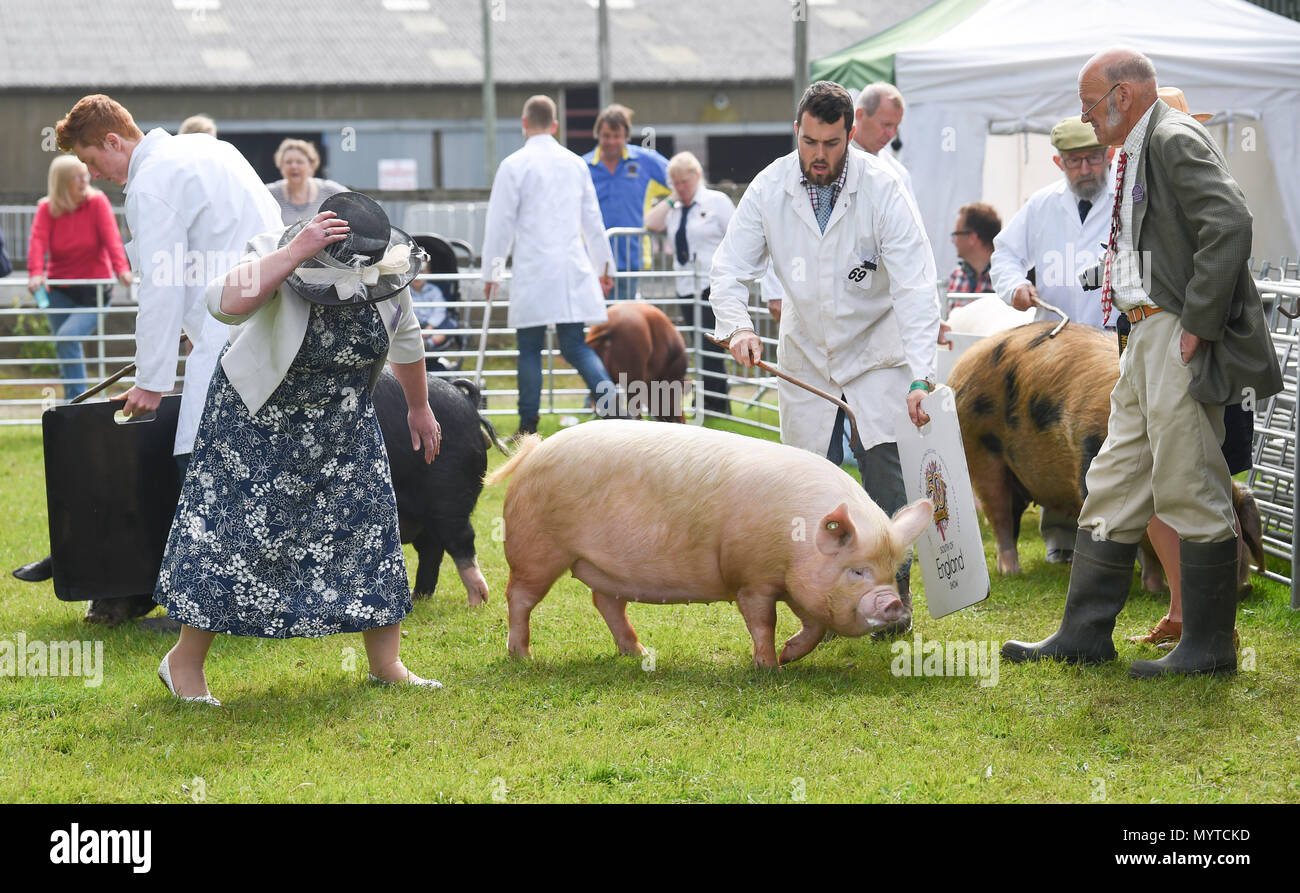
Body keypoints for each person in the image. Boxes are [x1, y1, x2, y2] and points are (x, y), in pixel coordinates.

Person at [1001, 48, 1282, 679]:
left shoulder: (1173, 137)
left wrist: (1199, 324)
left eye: (1088, 105)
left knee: (1188, 481)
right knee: (1115, 480)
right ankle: (1083, 634)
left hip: (1172, 332)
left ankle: (1210, 648)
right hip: (1143, 334)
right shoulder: (1139, 145)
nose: (1085, 118)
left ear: (1121, 97)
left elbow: (1230, 221)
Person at [154, 192, 444, 703]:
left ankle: (387, 662)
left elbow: (407, 339)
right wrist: (292, 254)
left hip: (343, 422)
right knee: (235, 539)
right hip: (256, 421)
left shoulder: (388, 271)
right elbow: (222, 304)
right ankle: (183, 664)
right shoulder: (273, 251)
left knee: (369, 527)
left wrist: (419, 407)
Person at [21, 94, 282, 613]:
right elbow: (240, 238)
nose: (95, 176)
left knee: (197, 463)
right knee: (243, 468)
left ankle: (216, 607)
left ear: (114, 142)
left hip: (225, 338)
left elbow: (160, 286)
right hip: (273, 325)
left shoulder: (151, 182)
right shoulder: (212, 150)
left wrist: (152, 379)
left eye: (94, 162)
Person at [711, 81, 941, 634]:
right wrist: (738, 327)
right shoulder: (769, 188)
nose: (819, 154)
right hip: (806, 357)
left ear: (850, 135)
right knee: (808, 492)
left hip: (877, 358)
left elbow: (915, 284)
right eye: (810, 141)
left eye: (831, 143)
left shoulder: (883, 189)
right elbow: (728, 269)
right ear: (798, 131)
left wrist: (921, 375)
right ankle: (818, 609)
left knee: (886, 484)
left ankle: (892, 607)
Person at [989, 116, 1115, 563]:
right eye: (1076, 161)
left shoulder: (1128, 201)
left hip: (1116, 344)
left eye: (1095, 158)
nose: (1087, 169)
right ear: (1058, 162)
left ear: (1110, 155)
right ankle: (1060, 536)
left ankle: (1132, 548)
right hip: (1057, 347)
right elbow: (1003, 255)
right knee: (1055, 437)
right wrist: (1015, 288)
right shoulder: (1042, 205)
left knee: (1115, 441)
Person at [482, 95, 617, 436]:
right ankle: (614, 410)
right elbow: (593, 222)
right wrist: (605, 268)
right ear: (555, 125)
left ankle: (528, 426)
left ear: (524, 124)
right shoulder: (575, 163)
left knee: (529, 348)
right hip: (571, 270)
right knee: (574, 345)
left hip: (533, 270)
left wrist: (491, 272)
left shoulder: (513, 165)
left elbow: (500, 225)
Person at [26, 154, 133, 400]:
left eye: (85, 174)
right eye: (77, 176)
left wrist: (122, 269)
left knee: (68, 338)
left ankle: (76, 401)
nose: (84, 180)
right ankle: (73, 403)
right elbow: (37, 244)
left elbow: (112, 240)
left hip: (94, 291)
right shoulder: (46, 208)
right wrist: (35, 275)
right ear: (62, 181)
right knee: (65, 345)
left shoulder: (98, 203)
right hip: (59, 291)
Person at [643, 150, 733, 415]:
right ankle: (711, 402)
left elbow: (737, 235)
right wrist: (672, 198)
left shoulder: (717, 202)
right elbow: (650, 223)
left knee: (710, 344)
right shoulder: (675, 208)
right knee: (698, 345)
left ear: (697, 176)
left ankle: (714, 403)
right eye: (675, 183)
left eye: (684, 182)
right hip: (685, 286)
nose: (681, 188)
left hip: (711, 284)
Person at [582, 103, 671, 301]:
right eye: (606, 135)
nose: (611, 141)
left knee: (625, 323)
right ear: (597, 135)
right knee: (597, 324)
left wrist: (667, 212)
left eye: (617, 136)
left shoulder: (645, 161)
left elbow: (683, 182)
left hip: (631, 258)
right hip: (592, 259)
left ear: (626, 136)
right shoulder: (583, 166)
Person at [851, 83, 914, 198]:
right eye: (886, 125)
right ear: (860, 115)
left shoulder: (897, 175)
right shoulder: (834, 162)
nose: (892, 134)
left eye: (896, 126)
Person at [266, 138, 347, 226]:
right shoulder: (269, 193)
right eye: (288, 162)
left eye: (299, 162)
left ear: (311, 165)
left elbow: (356, 203)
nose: (293, 166)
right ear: (280, 166)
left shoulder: (330, 190)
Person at [409, 234, 460, 369]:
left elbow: (439, 310)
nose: (419, 275)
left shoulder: (434, 290)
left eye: (423, 271)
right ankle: (417, 342)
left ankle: (429, 343)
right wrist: (418, 329)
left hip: (433, 325)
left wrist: (430, 329)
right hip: (413, 325)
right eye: (416, 271)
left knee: (450, 324)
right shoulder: (406, 290)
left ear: (429, 273)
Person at [946, 202, 1000, 295]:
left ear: (972, 238)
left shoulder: (1004, 278)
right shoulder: (955, 277)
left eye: (956, 234)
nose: (954, 241)